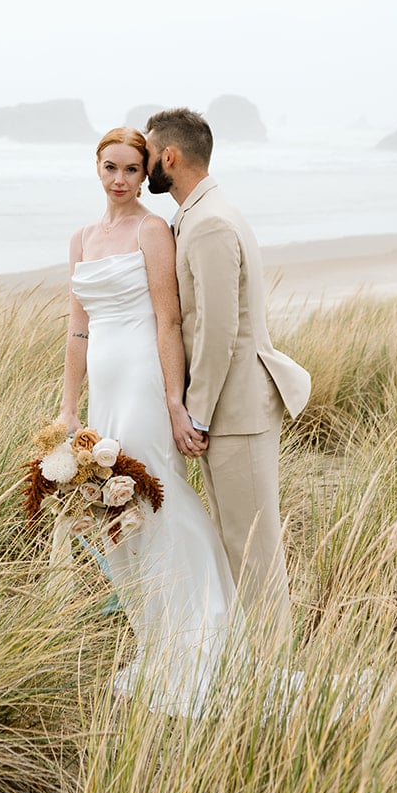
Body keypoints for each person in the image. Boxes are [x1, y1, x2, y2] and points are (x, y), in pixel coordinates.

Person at [59, 126, 240, 714]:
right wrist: (68, 406)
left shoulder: (151, 229)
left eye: (131, 170)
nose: (119, 180)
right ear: (97, 168)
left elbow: (167, 321)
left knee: (155, 494)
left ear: (145, 174)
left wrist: (173, 400)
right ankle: (158, 635)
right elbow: (77, 328)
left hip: (142, 378)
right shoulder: (82, 238)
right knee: (115, 505)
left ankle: (206, 631)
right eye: (109, 168)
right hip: (104, 388)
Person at [144, 108, 312, 650]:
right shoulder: (200, 213)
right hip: (231, 408)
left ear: (169, 157)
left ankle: (274, 673)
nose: (145, 164)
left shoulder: (211, 222)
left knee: (252, 549)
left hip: (235, 410)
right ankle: (254, 663)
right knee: (238, 542)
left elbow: (218, 331)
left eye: (148, 153)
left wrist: (194, 411)